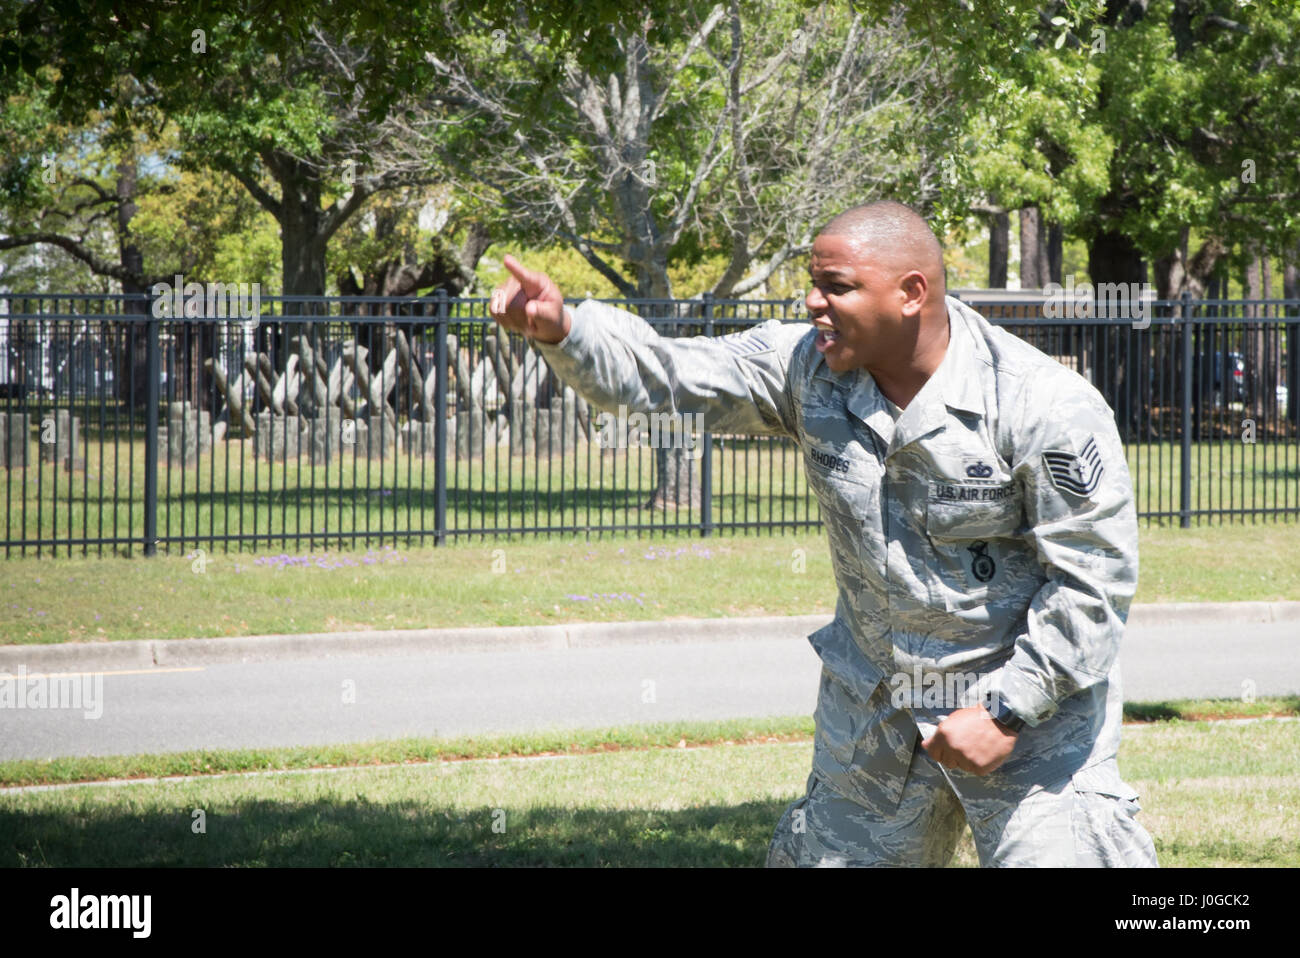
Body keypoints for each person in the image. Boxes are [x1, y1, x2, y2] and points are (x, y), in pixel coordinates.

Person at [487, 200, 1158, 868]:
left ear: (910, 294)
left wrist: (1010, 708)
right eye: (814, 282)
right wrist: (566, 330)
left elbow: (1093, 581)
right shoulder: (805, 367)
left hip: (1029, 725)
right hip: (878, 722)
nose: (813, 302)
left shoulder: (1039, 404)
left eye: (837, 287)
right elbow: (670, 375)